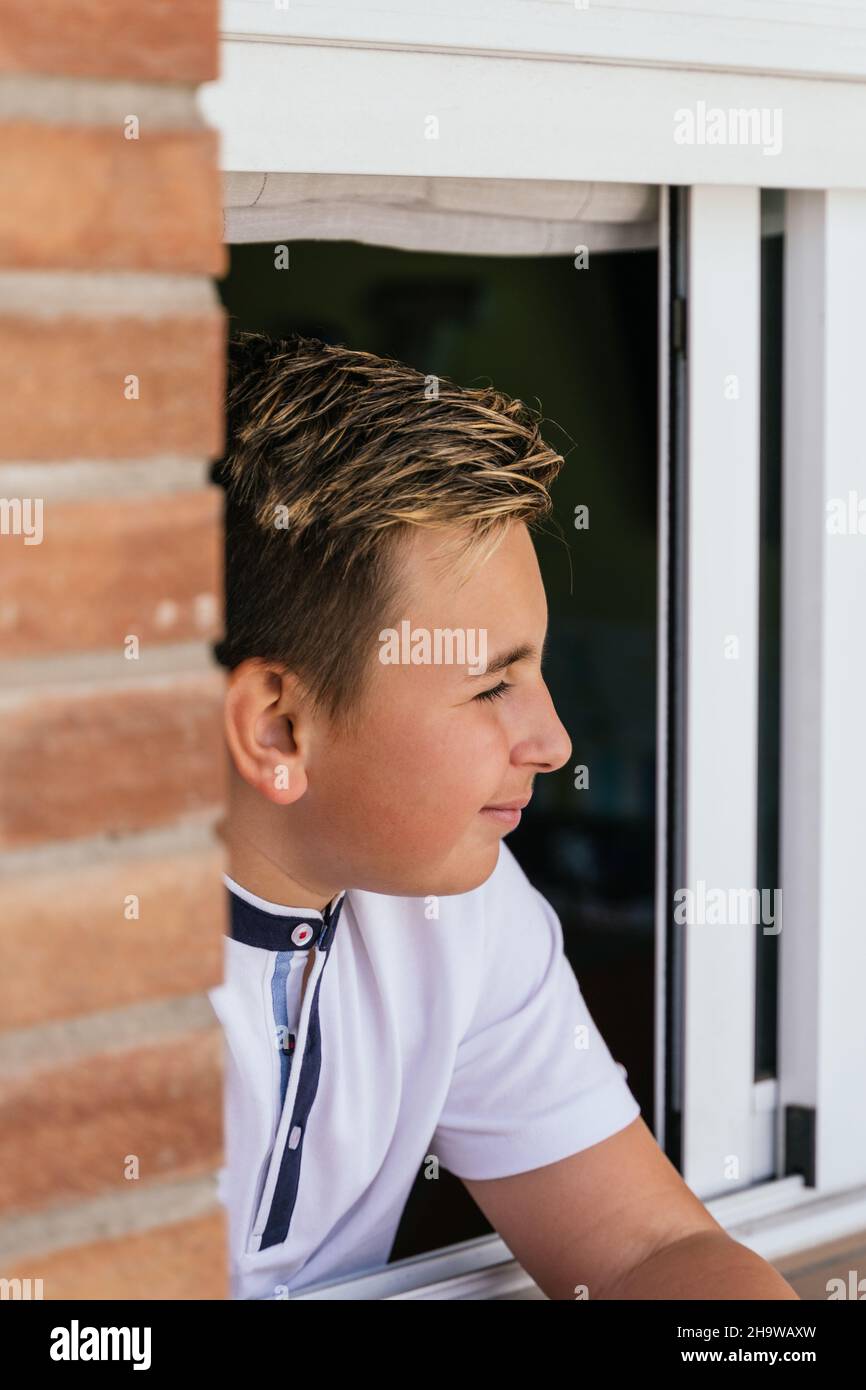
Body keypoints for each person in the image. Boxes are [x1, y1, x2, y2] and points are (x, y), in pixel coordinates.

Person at [207, 330, 799, 1301]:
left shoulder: (451, 896)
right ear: (277, 727)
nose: (553, 740)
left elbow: (644, 1251)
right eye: (490, 686)